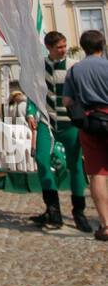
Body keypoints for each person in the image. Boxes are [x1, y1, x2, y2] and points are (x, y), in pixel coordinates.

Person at [29, 31, 91, 233]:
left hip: (70, 122)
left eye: (65, 45)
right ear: (49, 48)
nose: (63, 49)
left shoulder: (74, 66)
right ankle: (53, 209)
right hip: (47, 121)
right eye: (59, 47)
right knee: (41, 159)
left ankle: (78, 211)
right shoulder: (40, 66)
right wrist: (31, 111)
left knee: (75, 166)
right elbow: (33, 91)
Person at [62, 30, 108, 243]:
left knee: (97, 173)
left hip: (89, 122)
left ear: (82, 47)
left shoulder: (75, 70)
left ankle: (106, 224)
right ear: (103, 44)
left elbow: (67, 102)